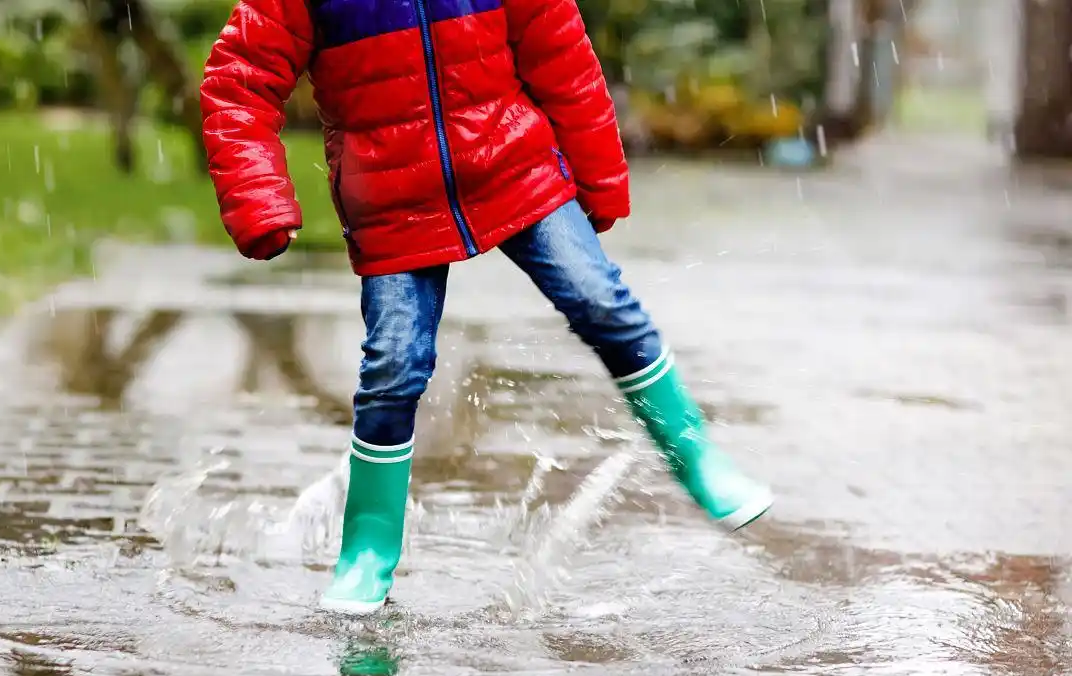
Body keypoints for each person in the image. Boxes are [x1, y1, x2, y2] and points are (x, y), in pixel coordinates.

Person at [200, 0, 773, 615]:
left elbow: (561, 56)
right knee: (393, 366)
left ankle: (696, 456)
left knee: (600, 299)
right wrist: (258, 199)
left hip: (515, 166)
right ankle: (367, 546)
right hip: (392, 198)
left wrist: (599, 176)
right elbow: (238, 82)